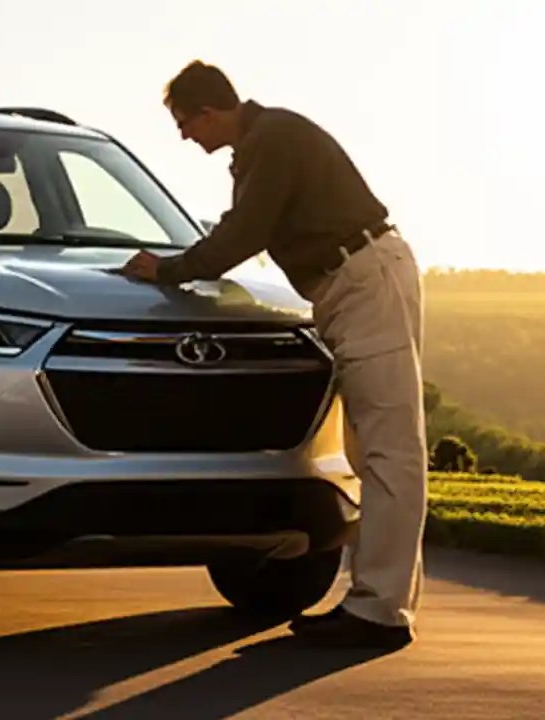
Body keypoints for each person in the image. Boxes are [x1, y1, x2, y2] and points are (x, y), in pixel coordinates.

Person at [121, 60, 427, 649]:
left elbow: (244, 233)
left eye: (185, 124)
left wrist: (171, 269)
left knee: (389, 449)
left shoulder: (274, 140)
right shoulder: (264, 143)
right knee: (373, 448)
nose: (185, 136)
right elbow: (244, 226)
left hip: (364, 279)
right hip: (349, 285)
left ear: (209, 111)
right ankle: (384, 603)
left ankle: (379, 612)